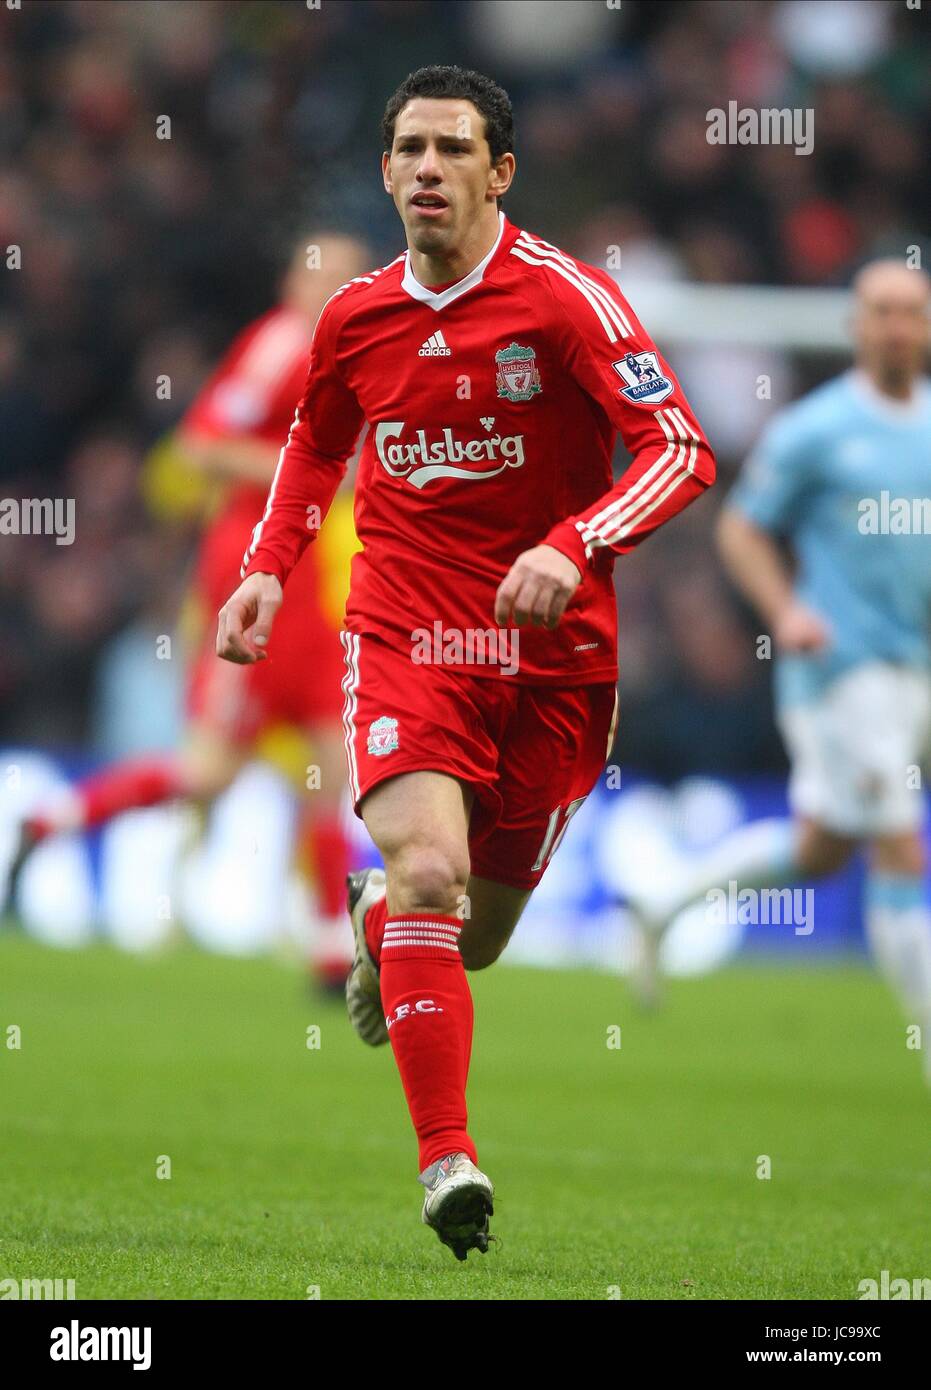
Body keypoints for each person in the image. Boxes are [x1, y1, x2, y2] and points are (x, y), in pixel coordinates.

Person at [216, 65, 715, 1260]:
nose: (428, 167)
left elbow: (681, 447)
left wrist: (574, 537)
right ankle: (447, 1160)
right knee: (434, 869)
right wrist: (268, 565)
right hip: (406, 633)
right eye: (409, 148)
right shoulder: (355, 316)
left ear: (500, 172)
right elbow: (311, 448)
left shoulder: (567, 303)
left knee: (469, 934)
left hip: (552, 659)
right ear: (385, 169)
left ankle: (382, 919)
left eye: (453, 148)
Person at [9, 234, 372, 987]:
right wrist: (304, 467)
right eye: (325, 274)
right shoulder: (278, 346)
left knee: (333, 762)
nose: (337, 287)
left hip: (305, 591)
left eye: (349, 276)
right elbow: (202, 443)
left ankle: (332, 949)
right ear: (293, 281)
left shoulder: (342, 355)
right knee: (209, 773)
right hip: (251, 575)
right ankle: (52, 821)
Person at [623, 260, 931, 1075]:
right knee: (901, 839)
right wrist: (785, 611)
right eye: (882, 312)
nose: (897, 327)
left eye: (910, 312)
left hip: (912, 667)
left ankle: (665, 903)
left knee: (823, 849)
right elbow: (742, 530)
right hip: (839, 668)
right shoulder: (816, 430)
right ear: (857, 329)